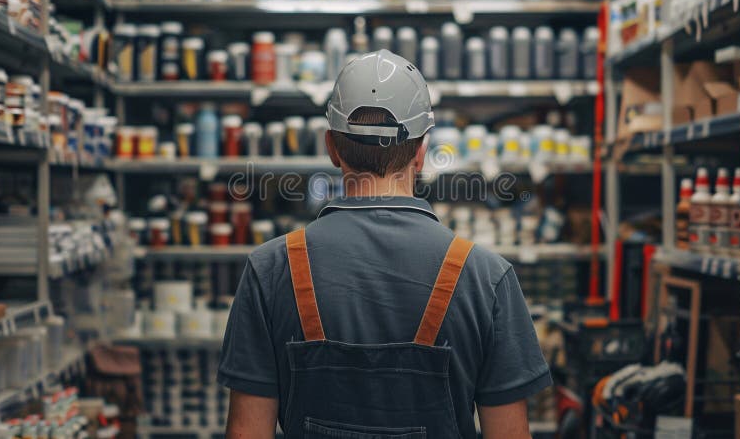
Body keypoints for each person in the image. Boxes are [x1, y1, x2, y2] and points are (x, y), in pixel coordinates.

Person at [218, 50, 551, 438]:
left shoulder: (271, 269)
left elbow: (247, 433)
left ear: (332, 147)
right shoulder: (485, 277)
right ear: (422, 151)